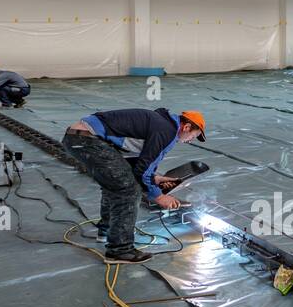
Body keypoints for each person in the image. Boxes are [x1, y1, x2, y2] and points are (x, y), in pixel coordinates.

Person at [62, 107, 207, 264]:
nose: (191, 140)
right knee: (129, 191)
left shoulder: (161, 124)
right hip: (87, 140)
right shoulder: (166, 131)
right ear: (186, 127)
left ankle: (107, 231)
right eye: (194, 135)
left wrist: (155, 178)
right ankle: (120, 250)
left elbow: (135, 162)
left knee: (116, 184)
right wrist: (158, 196)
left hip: (79, 138)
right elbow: (142, 168)